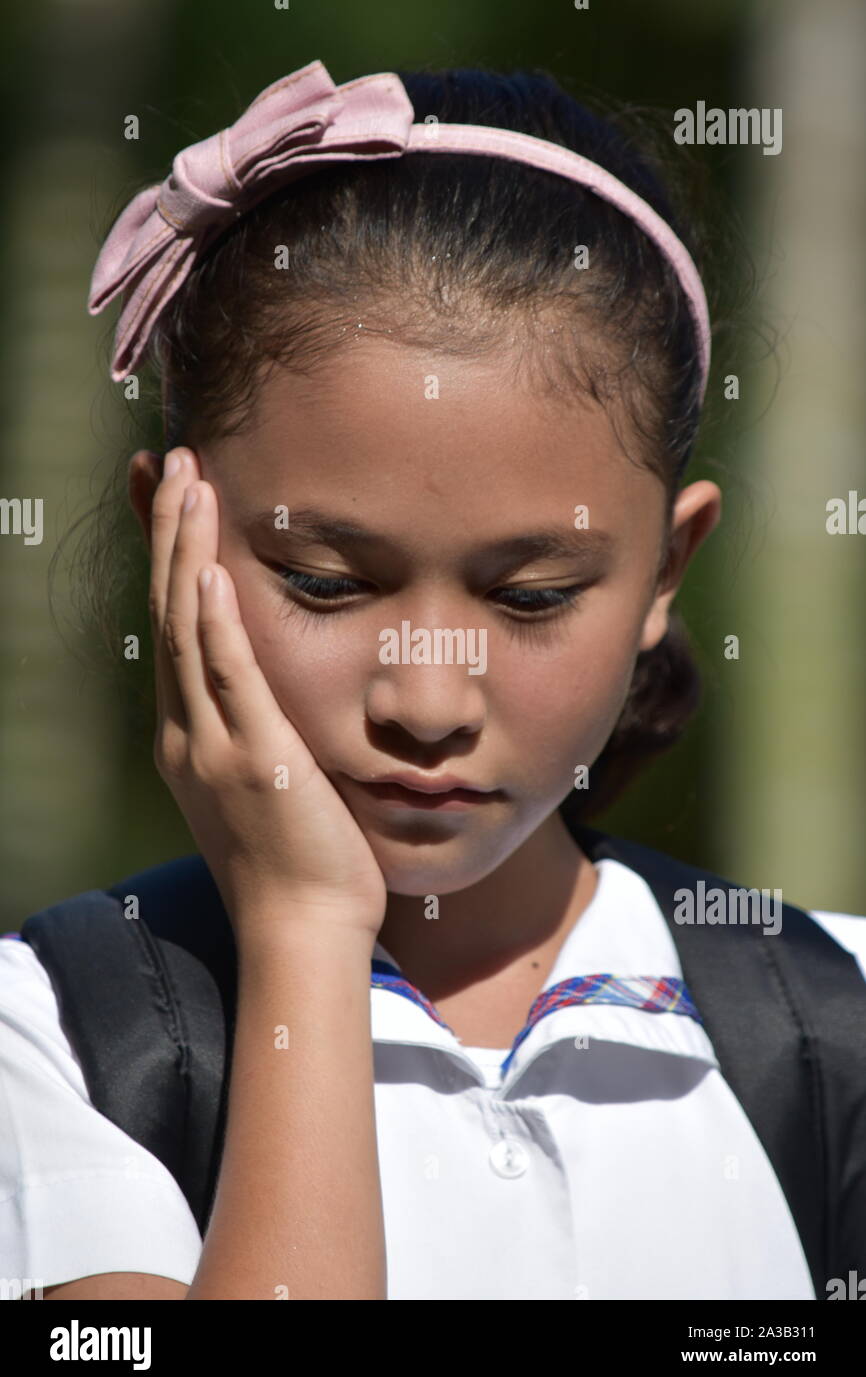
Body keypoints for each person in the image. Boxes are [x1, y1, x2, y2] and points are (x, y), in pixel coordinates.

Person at [1, 59, 864, 1303]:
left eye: (529, 598)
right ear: (172, 538)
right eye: (326, 581)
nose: (425, 701)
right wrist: (302, 932)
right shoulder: (63, 1041)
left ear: (668, 568)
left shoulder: (825, 1036)